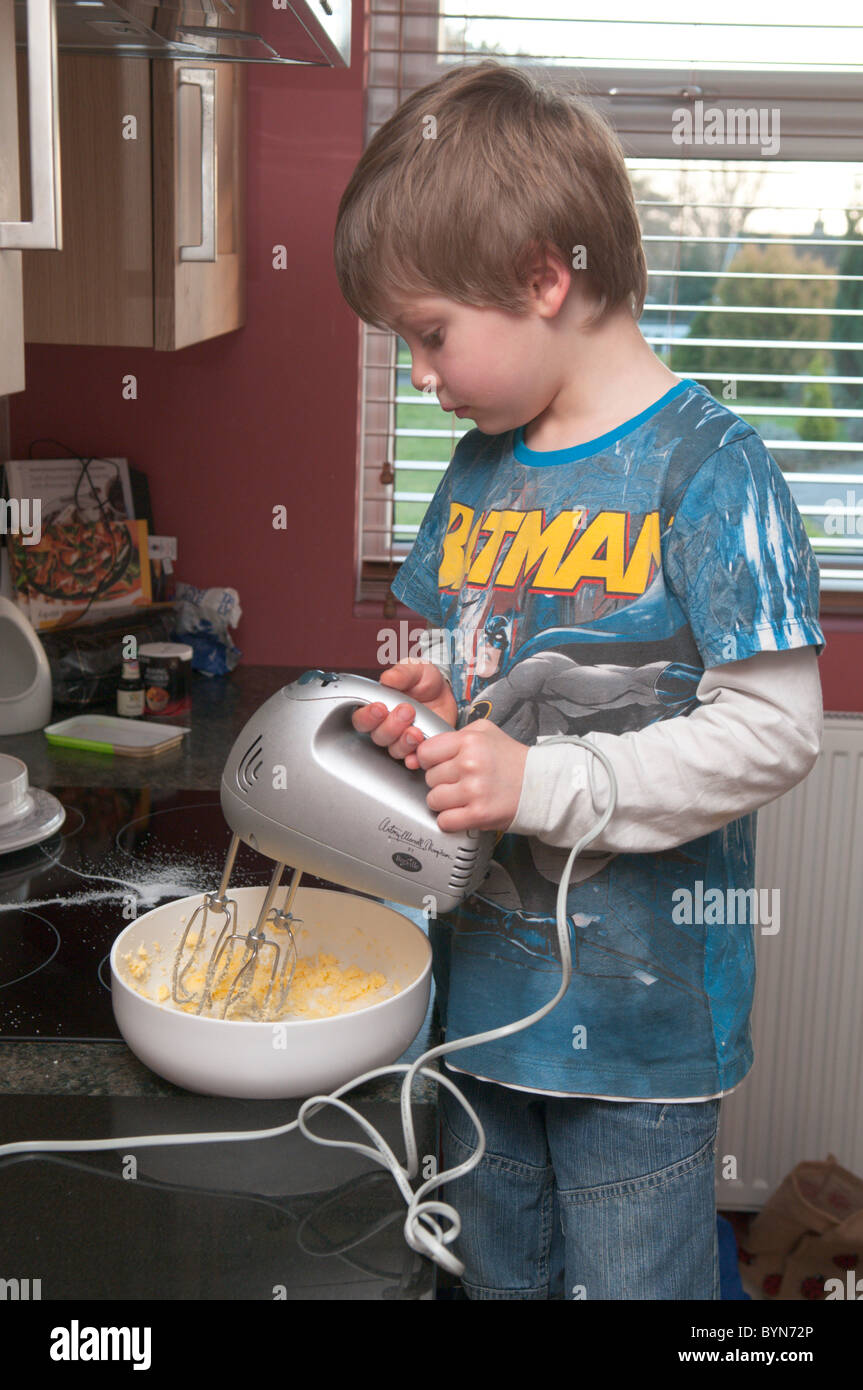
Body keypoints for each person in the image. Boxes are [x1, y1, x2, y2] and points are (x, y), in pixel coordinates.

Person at [333, 59, 825, 1300]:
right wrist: (438, 698)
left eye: (429, 333)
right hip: (481, 1021)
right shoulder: (479, 469)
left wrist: (540, 777)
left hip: (641, 1058)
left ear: (545, 276)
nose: (420, 375)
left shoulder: (709, 468)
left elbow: (770, 734)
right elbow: (475, 665)